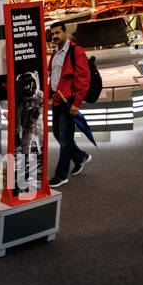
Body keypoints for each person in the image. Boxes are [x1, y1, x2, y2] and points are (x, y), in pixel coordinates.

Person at [47, 22, 92, 188]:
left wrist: (77, 103)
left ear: (65, 32)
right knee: (59, 136)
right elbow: (53, 76)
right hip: (57, 100)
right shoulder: (55, 53)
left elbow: (83, 78)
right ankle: (80, 157)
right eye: (53, 34)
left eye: (58, 32)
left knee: (65, 139)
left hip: (69, 102)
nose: (55, 36)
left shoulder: (75, 51)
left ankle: (61, 175)